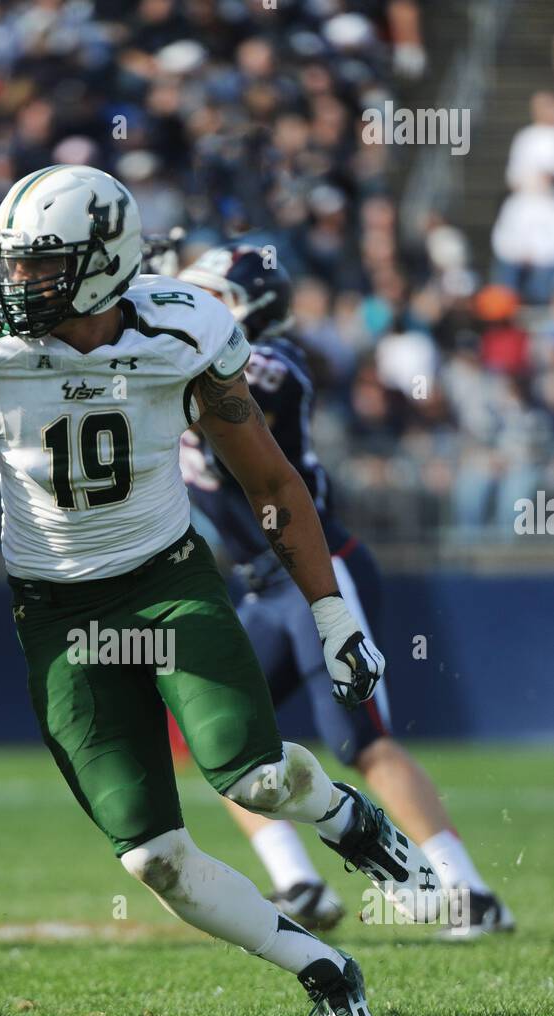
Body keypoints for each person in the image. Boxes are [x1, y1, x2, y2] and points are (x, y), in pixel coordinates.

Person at [0, 165, 446, 1016]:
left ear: (102, 264)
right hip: (54, 612)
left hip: (165, 584)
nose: (13, 282)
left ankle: (337, 813)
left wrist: (332, 612)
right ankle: (322, 967)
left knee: (251, 775)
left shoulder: (184, 330)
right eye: (12, 263)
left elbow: (270, 480)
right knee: (151, 858)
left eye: (38, 264)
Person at [173, 242, 514, 942]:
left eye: (210, 296)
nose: (192, 309)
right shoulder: (181, 361)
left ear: (246, 311)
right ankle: (296, 879)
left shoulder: (271, 366)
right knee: (217, 734)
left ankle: (468, 891)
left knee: (359, 741)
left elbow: (233, 381)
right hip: (261, 583)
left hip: (317, 571)